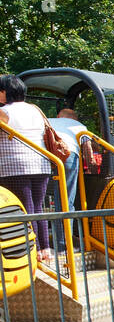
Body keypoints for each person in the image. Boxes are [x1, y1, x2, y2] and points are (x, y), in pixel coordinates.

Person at [0, 74, 56, 264]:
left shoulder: (5, 112)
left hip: (14, 166)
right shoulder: (35, 110)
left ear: (4, 92)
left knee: (25, 208)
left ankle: (35, 251)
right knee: (37, 207)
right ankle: (45, 249)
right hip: (40, 164)